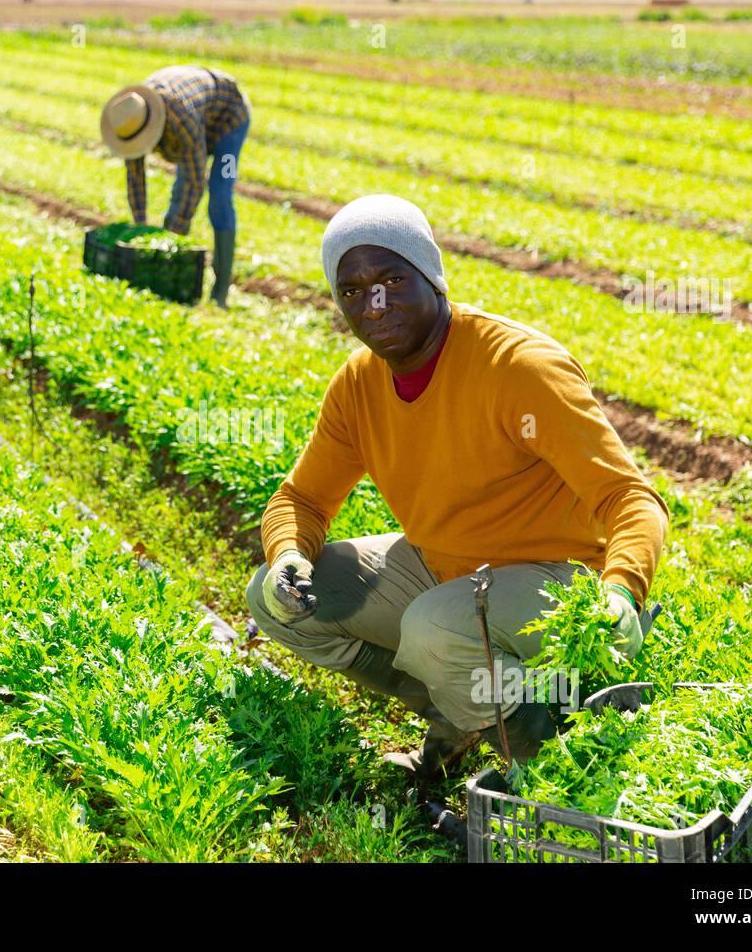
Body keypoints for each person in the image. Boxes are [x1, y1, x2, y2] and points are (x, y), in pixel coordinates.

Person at [245, 194, 670, 779]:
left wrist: (621, 595)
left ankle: (548, 760)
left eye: (393, 277)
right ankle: (460, 720)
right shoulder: (359, 387)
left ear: (433, 276)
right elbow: (303, 500)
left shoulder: (517, 367)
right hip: (443, 570)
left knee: (433, 626)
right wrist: (289, 554)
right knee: (272, 595)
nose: (374, 303)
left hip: (557, 583)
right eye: (352, 290)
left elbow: (629, 498)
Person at [100, 66, 250, 308]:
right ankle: (171, 276)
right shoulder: (132, 118)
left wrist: (172, 237)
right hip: (198, 117)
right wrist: (141, 228)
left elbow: (194, 179)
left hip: (229, 122)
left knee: (220, 194)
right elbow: (135, 179)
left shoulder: (181, 120)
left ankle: (220, 292)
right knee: (179, 194)